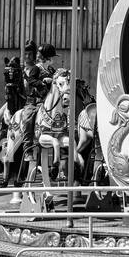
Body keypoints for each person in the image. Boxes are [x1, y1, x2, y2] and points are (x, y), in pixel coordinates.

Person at [36, 69, 72, 203]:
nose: (49, 61)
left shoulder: (52, 71)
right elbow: (31, 81)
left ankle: (67, 167)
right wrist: (42, 82)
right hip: (37, 100)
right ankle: (27, 143)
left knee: (68, 140)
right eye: (48, 58)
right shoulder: (37, 69)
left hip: (56, 106)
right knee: (28, 116)